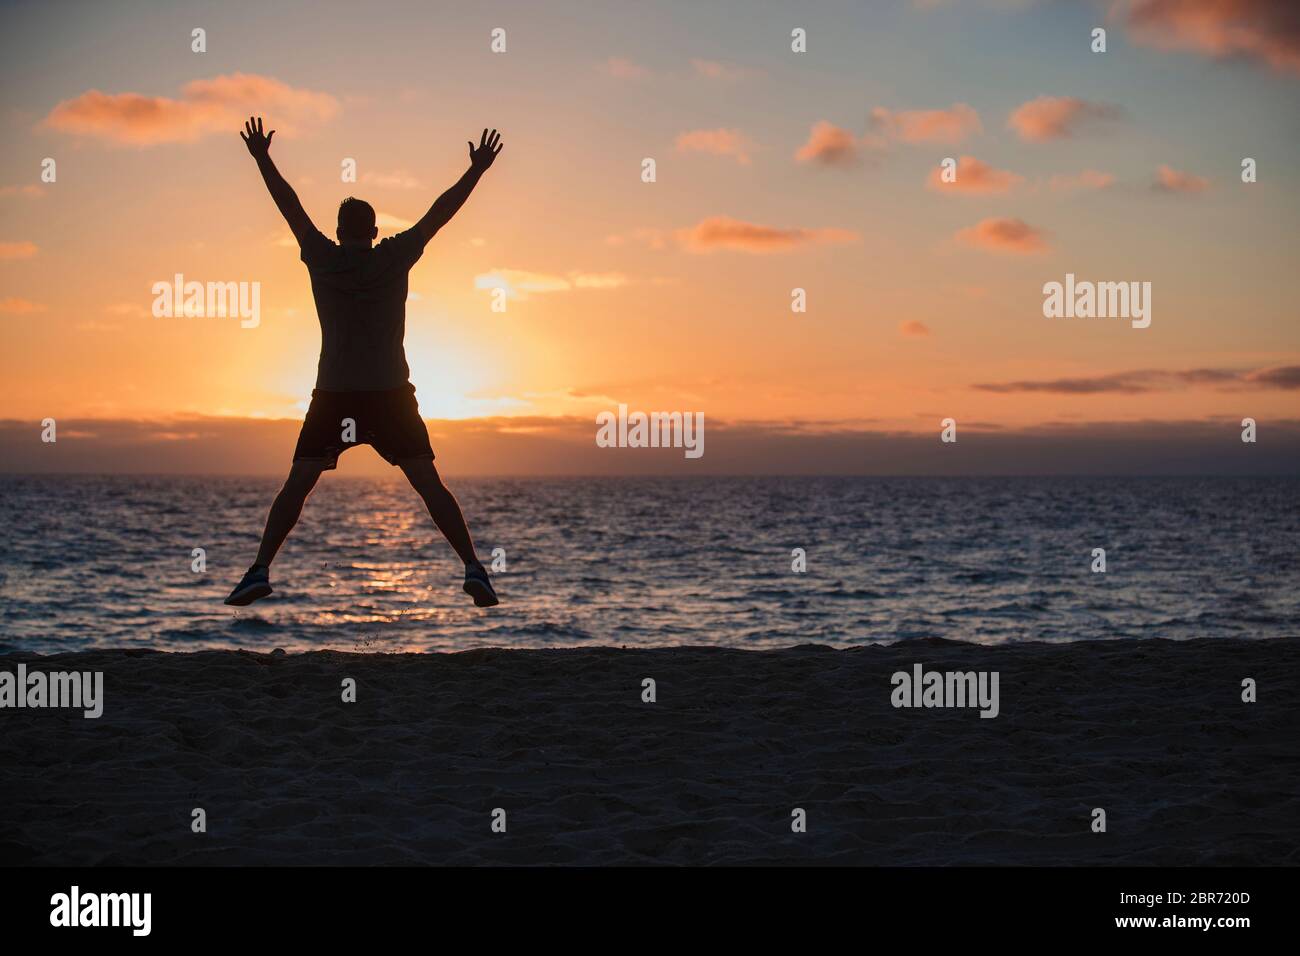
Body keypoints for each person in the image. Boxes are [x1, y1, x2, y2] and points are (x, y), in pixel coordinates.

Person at [225, 117, 502, 609]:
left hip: (334, 394)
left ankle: (260, 569)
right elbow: (441, 213)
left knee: (299, 484)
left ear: (338, 231)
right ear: (375, 231)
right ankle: (473, 568)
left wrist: (262, 158)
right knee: (427, 484)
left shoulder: (319, 254)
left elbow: (289, 206)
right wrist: (476, 170)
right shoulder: (393, 255)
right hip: (390, 393)